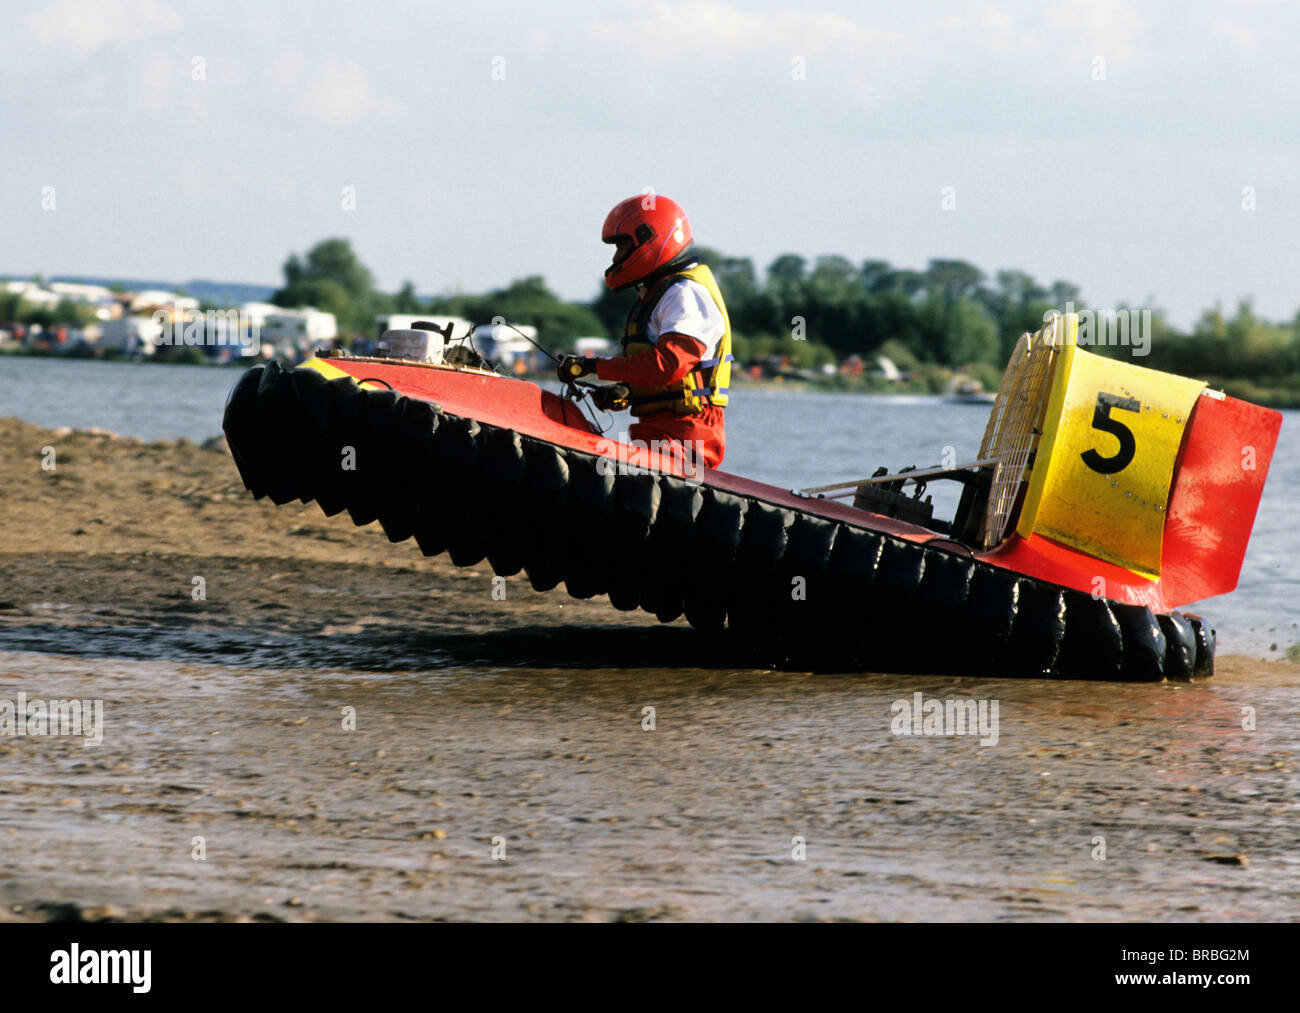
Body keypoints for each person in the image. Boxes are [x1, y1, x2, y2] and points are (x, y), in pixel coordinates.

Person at [557, 194, 732, 471]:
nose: (616, 257)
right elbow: (665, 378)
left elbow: (668, 365)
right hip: (660, 433)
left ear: (650, 238)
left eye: (623, 246)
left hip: (687, 437)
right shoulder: (658, 294)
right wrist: (626, 392)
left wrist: (591, 367)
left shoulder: (685, 293)